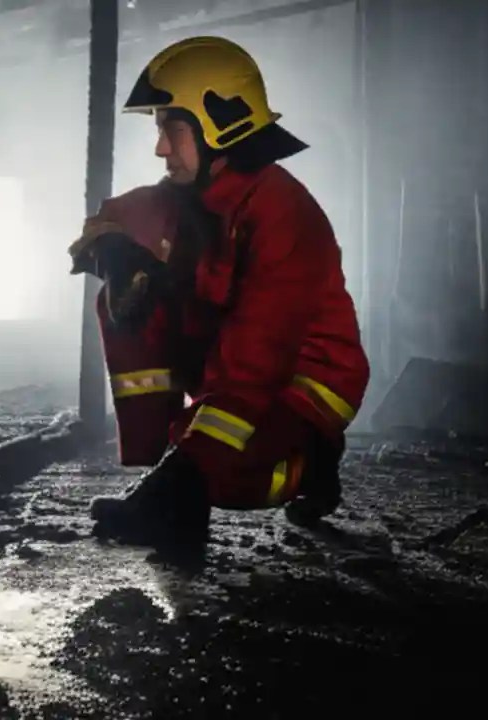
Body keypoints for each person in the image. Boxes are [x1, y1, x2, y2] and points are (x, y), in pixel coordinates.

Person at [68, 36, 370, 548]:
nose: (160, 147)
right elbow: (109, 219)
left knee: (223, 475)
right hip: (235, 359)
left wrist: (188, 473)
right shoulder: (189, 196)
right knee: (122, 298)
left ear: (222, 125)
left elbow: (258, 357)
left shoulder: (284, 213)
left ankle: (312, 465)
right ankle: (169, 466)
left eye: (173, 129)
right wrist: (112, 255)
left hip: (307, 375)